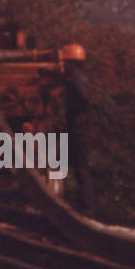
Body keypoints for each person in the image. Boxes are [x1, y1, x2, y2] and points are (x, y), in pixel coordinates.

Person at [40, 43, 95, 213]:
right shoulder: (78, 78)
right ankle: (81, 207)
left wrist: (80, 113)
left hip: (78, 130)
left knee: (75, 167)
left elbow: (83, 97)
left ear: (71, 63)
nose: (63, 65)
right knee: (75, 167)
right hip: (79, 129)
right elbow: (67, 81)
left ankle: (84, 208)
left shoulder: (77, 81)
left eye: (65, 62)